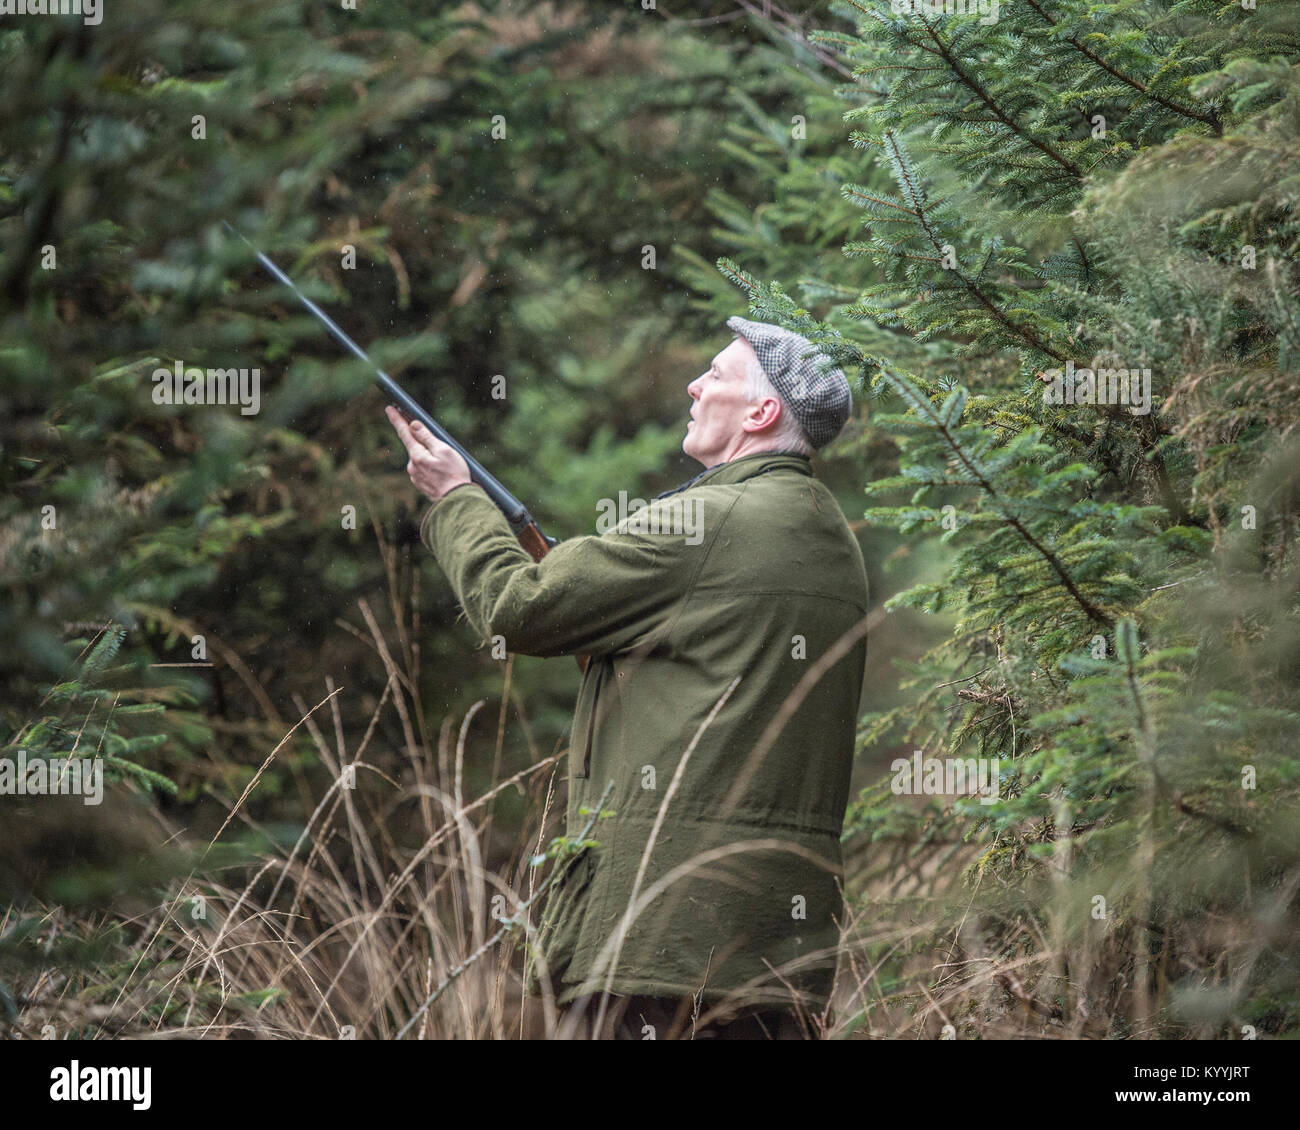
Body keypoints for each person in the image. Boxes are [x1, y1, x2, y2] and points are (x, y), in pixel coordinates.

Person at [386, 316, 869, 1040]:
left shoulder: (706, 521)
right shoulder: (832, 539)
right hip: (779, 953)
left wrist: (457, 500)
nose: (694, 385)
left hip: (658, 944)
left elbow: (518, 607)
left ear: (762, 413)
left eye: (716, 376)